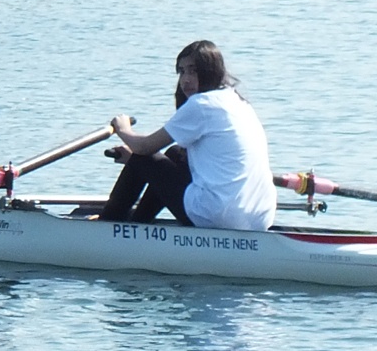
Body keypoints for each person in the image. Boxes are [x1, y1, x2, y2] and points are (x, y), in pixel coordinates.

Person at [102, 40, 275, 231]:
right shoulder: (238, 101)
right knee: (175, 153)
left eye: (193, 71)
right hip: (260, 219)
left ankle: (107, 226)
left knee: (143, 157)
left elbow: (144, 147)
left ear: (211, 72)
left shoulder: (202, 104)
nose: (185, 80)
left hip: (219, 218)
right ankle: (137, 226)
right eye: (182, 72)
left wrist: (123, 129)